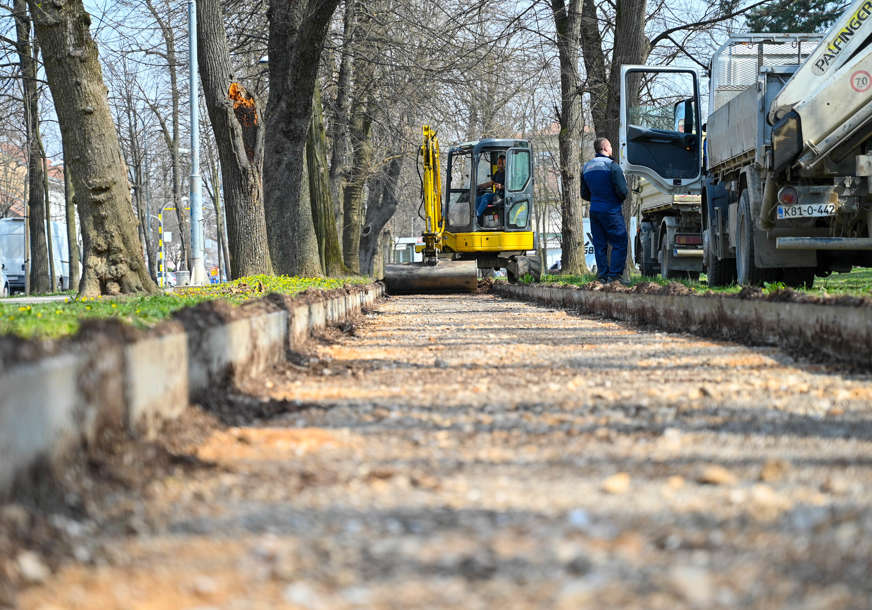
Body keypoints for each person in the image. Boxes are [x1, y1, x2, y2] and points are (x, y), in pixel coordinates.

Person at [580, 137, 629, 283]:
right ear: (606, 148)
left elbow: (584, 194)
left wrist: (596, 200)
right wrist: (616, 200)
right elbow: (623, 191)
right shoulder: (612, 166)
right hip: (611, 209)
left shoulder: (586, 167)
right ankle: (614, 276)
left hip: (595, 210)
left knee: (600, 244)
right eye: (611, 147)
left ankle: (602, 275)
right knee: (619, 242)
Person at [475, 154, 505, 224]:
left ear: (504, 164)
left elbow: (510, 186)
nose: (498, 165)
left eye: (500, 163)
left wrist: (501, 186)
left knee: (485, 197)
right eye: (498, 163)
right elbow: (490, 183)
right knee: (477, 199)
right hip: (496, 195)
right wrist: (478, 186)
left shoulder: (507, 174)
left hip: (502, 196)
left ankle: (477, 215)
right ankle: (477, 218)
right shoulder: (497, 173)